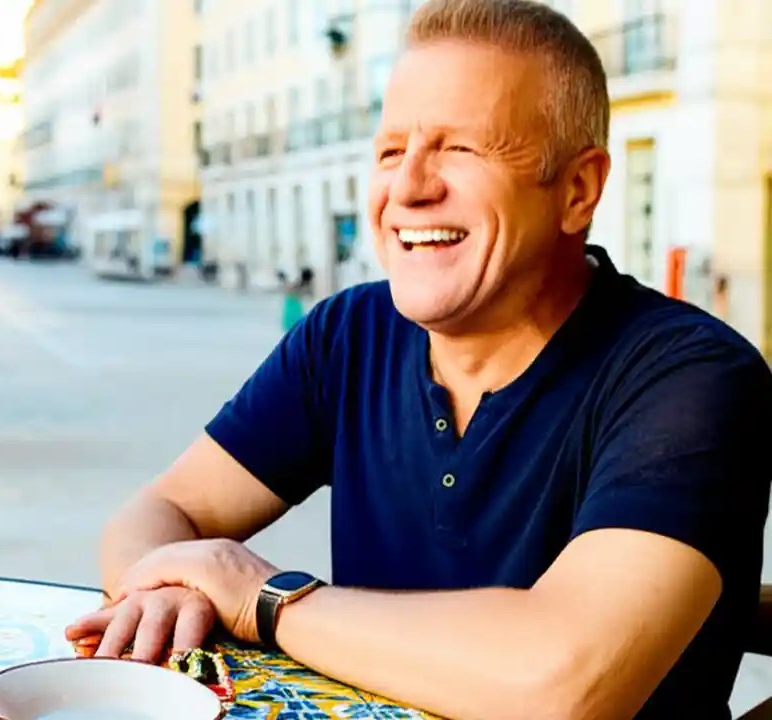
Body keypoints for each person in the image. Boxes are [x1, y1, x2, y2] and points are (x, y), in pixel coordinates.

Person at [65, 1, 772, 718]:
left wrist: (262, 597)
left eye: (460, 149)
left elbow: (565, 683)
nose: (407, 188)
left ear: (577, 190)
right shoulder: (349, 335)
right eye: (390, 152)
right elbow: (160, 511)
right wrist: (168, 588)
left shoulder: (690, 380)